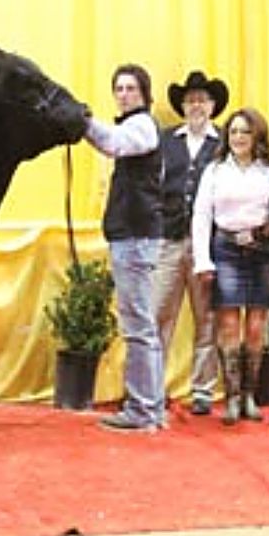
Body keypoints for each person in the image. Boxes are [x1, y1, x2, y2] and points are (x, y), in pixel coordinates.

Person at [84, 64, 165, 432]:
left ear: (145, 94)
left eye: (131, 88)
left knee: (138, 327)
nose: (123, 93)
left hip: (135, 237)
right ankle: (150, 407)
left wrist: (80, 120)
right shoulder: (135, 125)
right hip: (133, 236)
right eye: (118, 88)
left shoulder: (142, 126)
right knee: (140, 325)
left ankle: (143, 409)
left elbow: (112, 143)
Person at [191, 108, 269, 425]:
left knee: (255, 327)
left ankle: (250, 397)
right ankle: (231, 398)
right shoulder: (214, 171)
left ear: (257, 136)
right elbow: (201, 216)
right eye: (233, 132)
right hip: (225, 249)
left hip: (262, 252)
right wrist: (203, 259)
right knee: (228, 326)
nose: (238, 137)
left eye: (245, 132)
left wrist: (261, 234)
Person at [151, 71, 228, 416]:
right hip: (168, 239)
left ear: (212, 105)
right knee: (158, 314)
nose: (196, 104)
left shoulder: (226, 142)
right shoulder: (166, 140)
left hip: (208, 246)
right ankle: (152, 387)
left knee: (206, 319)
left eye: (202, 99)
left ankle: (202, 390)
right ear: (182, 105)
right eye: (191, 99)